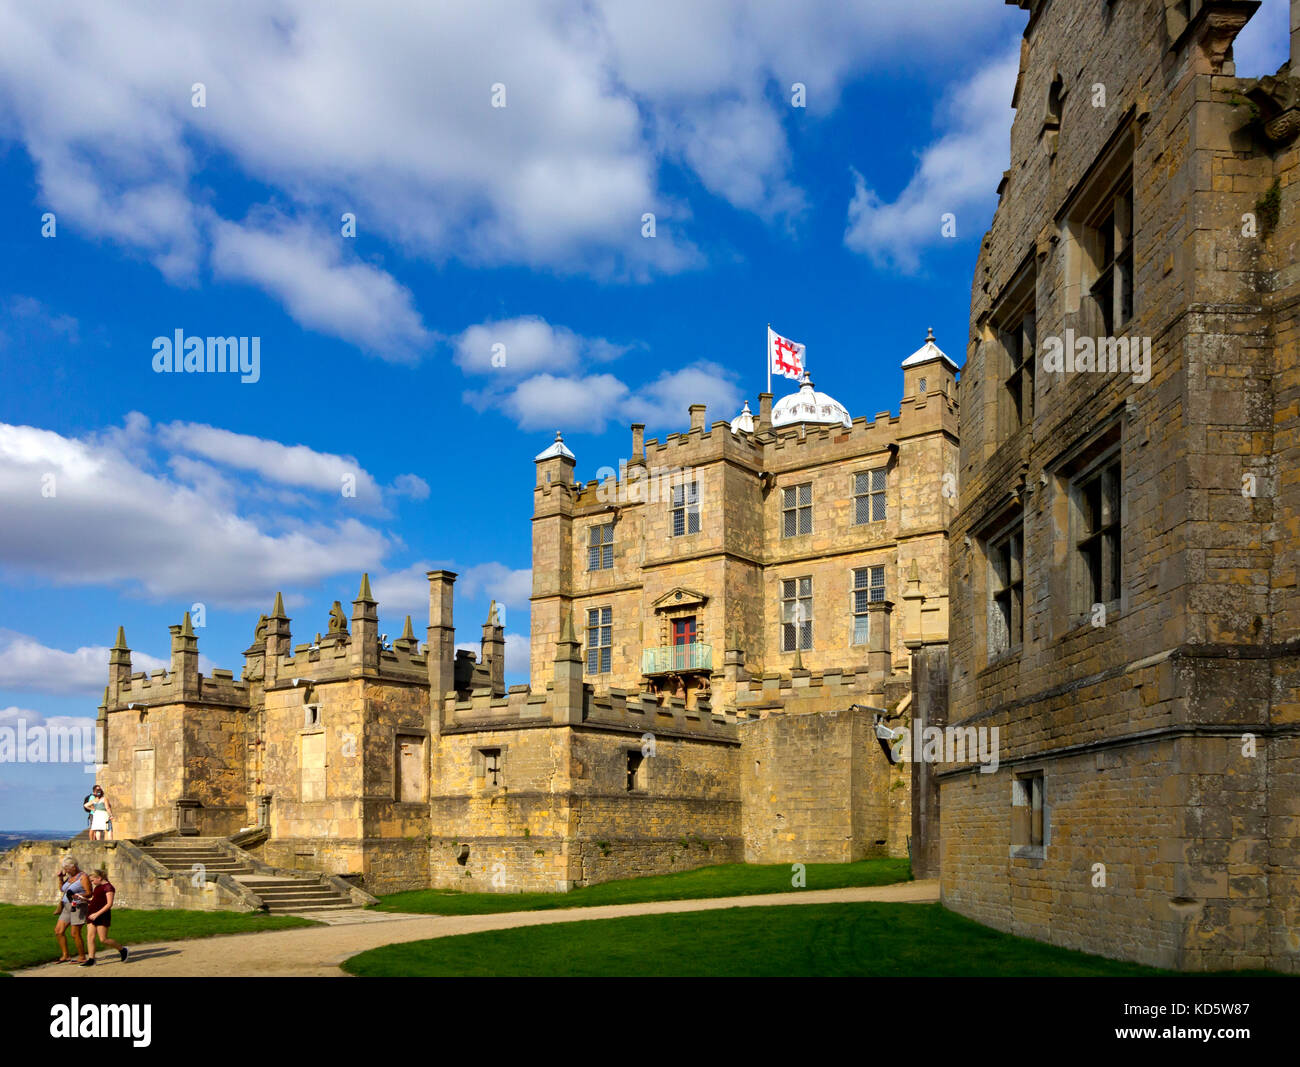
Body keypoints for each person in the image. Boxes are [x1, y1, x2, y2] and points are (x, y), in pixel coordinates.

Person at [79, 869, 128, 966]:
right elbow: (94, 900)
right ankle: (91, 959)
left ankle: (122, 949)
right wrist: (84, 899)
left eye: (93, 880)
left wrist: (97, 914)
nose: (92, 883)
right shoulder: (98, 887)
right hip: (91, 914)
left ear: (99, 878)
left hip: (102, 915)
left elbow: (109, 904)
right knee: (90, 937)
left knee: (103, 939)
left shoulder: (108, 887)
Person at [53, 857, 90, 963]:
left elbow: (89, 892)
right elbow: (62, 889)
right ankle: (65, 955)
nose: (65, 871)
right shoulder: (69, 877)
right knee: (58, 931)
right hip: (67, 906)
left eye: (67, 868)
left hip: (78, 906)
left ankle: (82, 957)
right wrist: (60, 878)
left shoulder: (83, 877)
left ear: (73, 867)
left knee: (75, 933)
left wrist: (78, 895)